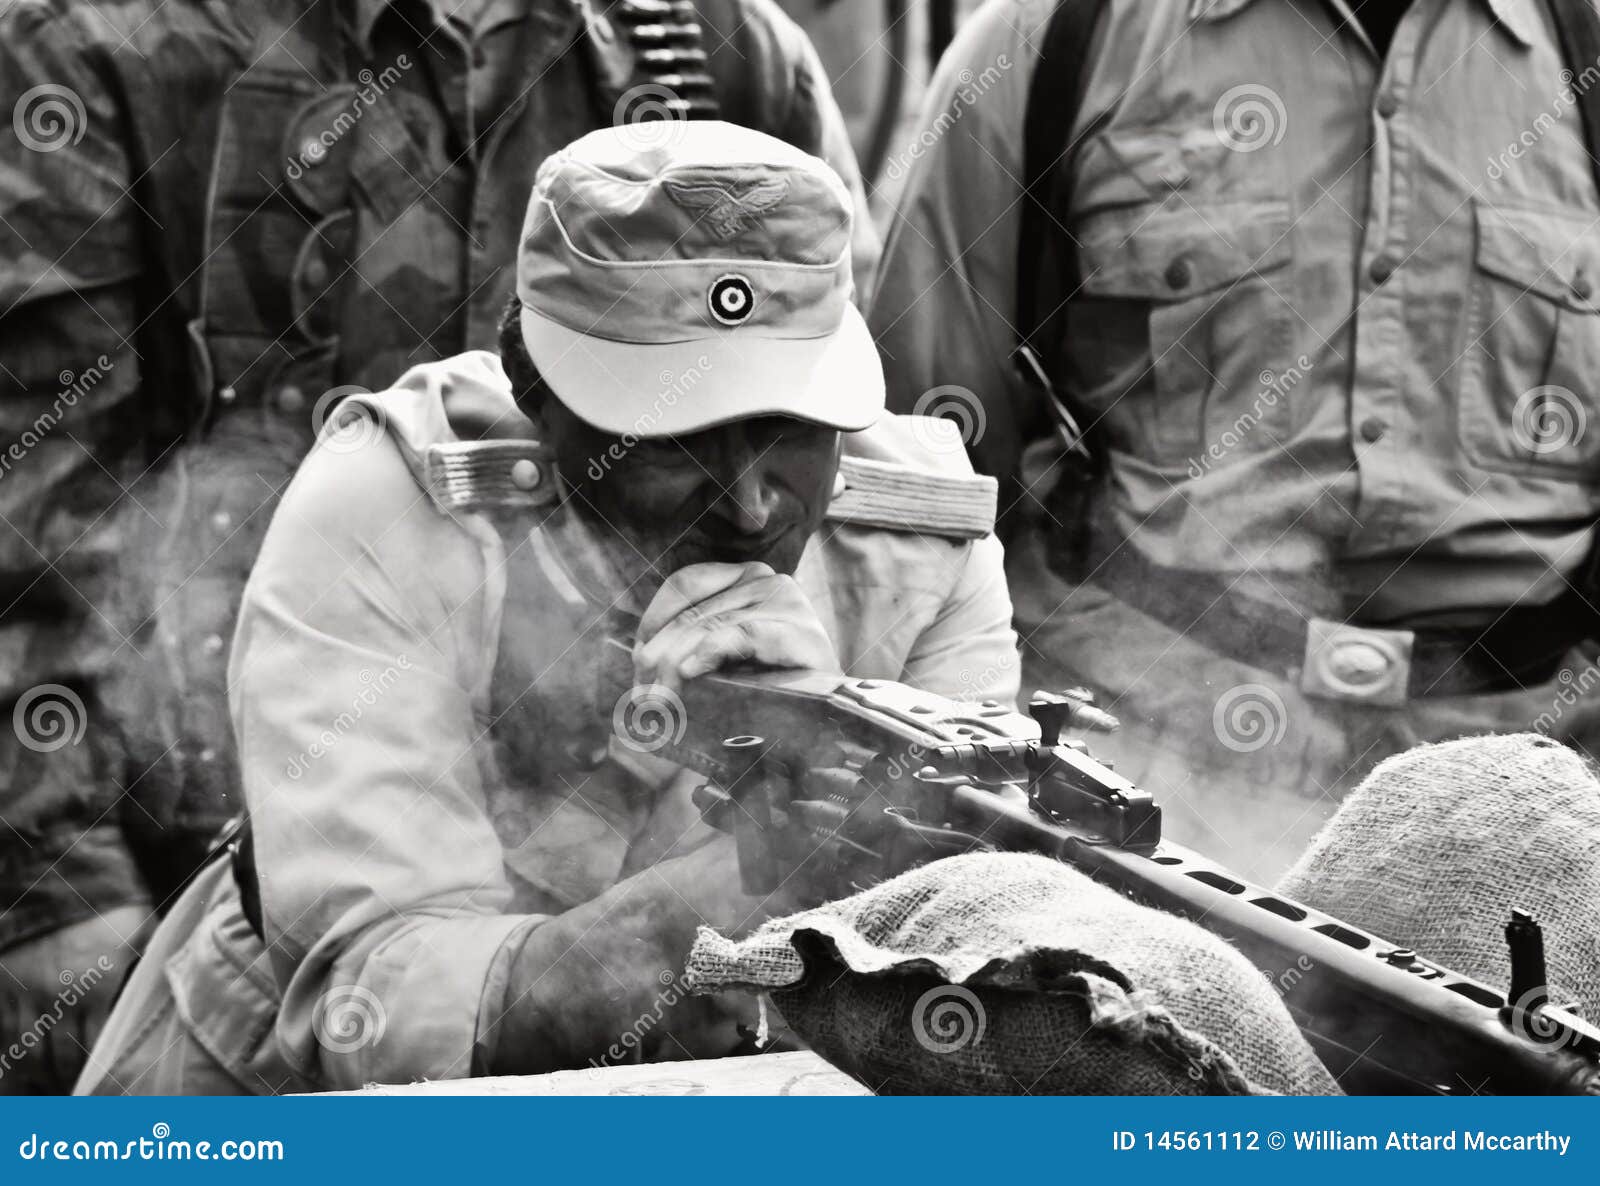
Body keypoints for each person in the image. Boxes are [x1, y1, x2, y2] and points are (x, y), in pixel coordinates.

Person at [0, 0, 874, 1093]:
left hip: (606, 906)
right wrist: (52, 899)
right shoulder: (107, 42)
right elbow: (31, 503)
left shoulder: (722, 51)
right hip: (218, 911)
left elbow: (831, 441)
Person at [869, 0, 1600, 882]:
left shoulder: (1584, 52)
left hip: (1532, 803)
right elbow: (915, 482)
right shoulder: (1047, 41)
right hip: (1140, 788)